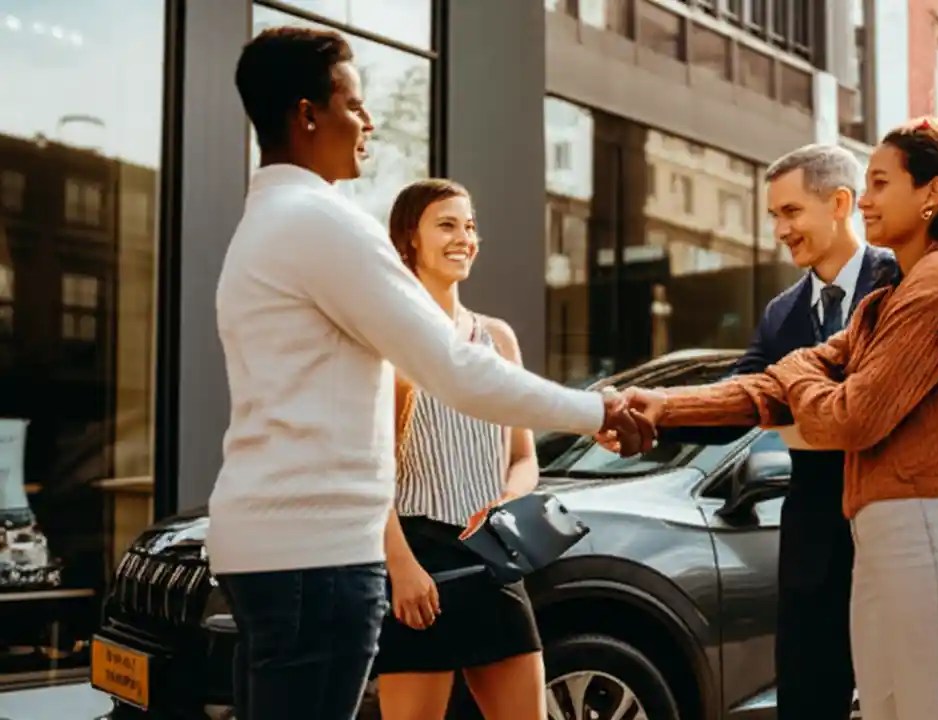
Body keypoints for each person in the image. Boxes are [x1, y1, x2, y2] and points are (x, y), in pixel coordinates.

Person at [211, 28, 651, 720]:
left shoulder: (262, 222)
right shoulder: (324, 223)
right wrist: (599, 413)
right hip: (316, 561)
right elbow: (452, 367)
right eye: (354, 105)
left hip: (267, 551)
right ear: (306, 115)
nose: (368, 121)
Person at [622, 116, 938, 720]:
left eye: (879, 183)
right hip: (852, 533)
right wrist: (660, 407)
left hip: (926, 520)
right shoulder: (866, 300)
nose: (779, 230)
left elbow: (852, 415)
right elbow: (758, 387)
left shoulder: (930, 276)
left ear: (931, 194)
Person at [371, 179, 545, 720]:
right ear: (409, 240)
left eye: (469, 226)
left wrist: (504, 505)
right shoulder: (386, 343)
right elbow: (363, 473)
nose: (464, 237)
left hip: (492, 557)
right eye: (446, 224)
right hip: (420, 558)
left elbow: (523, 456)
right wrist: (401, 568)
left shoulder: (498, 340)